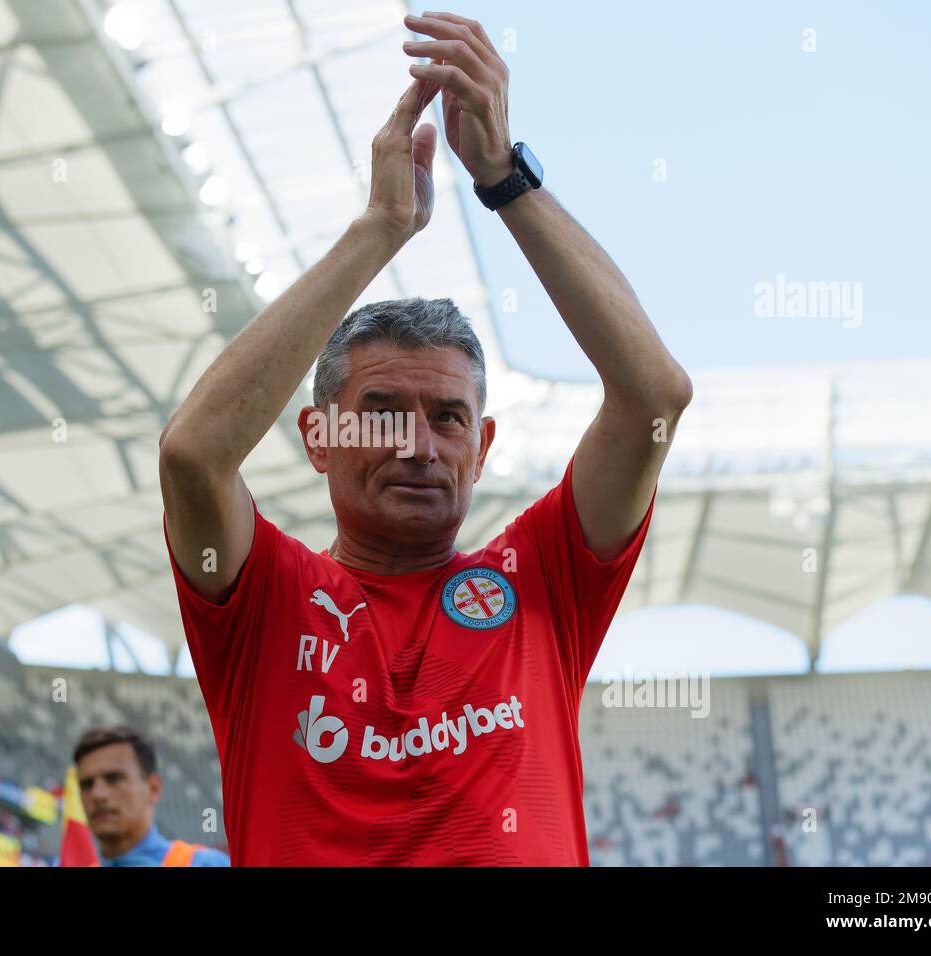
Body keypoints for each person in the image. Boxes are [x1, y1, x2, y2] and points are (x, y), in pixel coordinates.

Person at [159, 12, 690, 866]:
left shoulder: (544, 579)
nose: (419, 445)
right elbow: (193, 455)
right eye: (381, 412)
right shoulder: (261, 600)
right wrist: (379, 230)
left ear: (481, 448)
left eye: (447, 419)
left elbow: (654, 395)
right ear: (318, 435)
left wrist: (504, 178)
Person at [72, 726, 228, 867]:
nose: (97, 794)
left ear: (153, 788)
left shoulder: (205, 864)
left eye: (114, 779)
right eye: (86, 784)